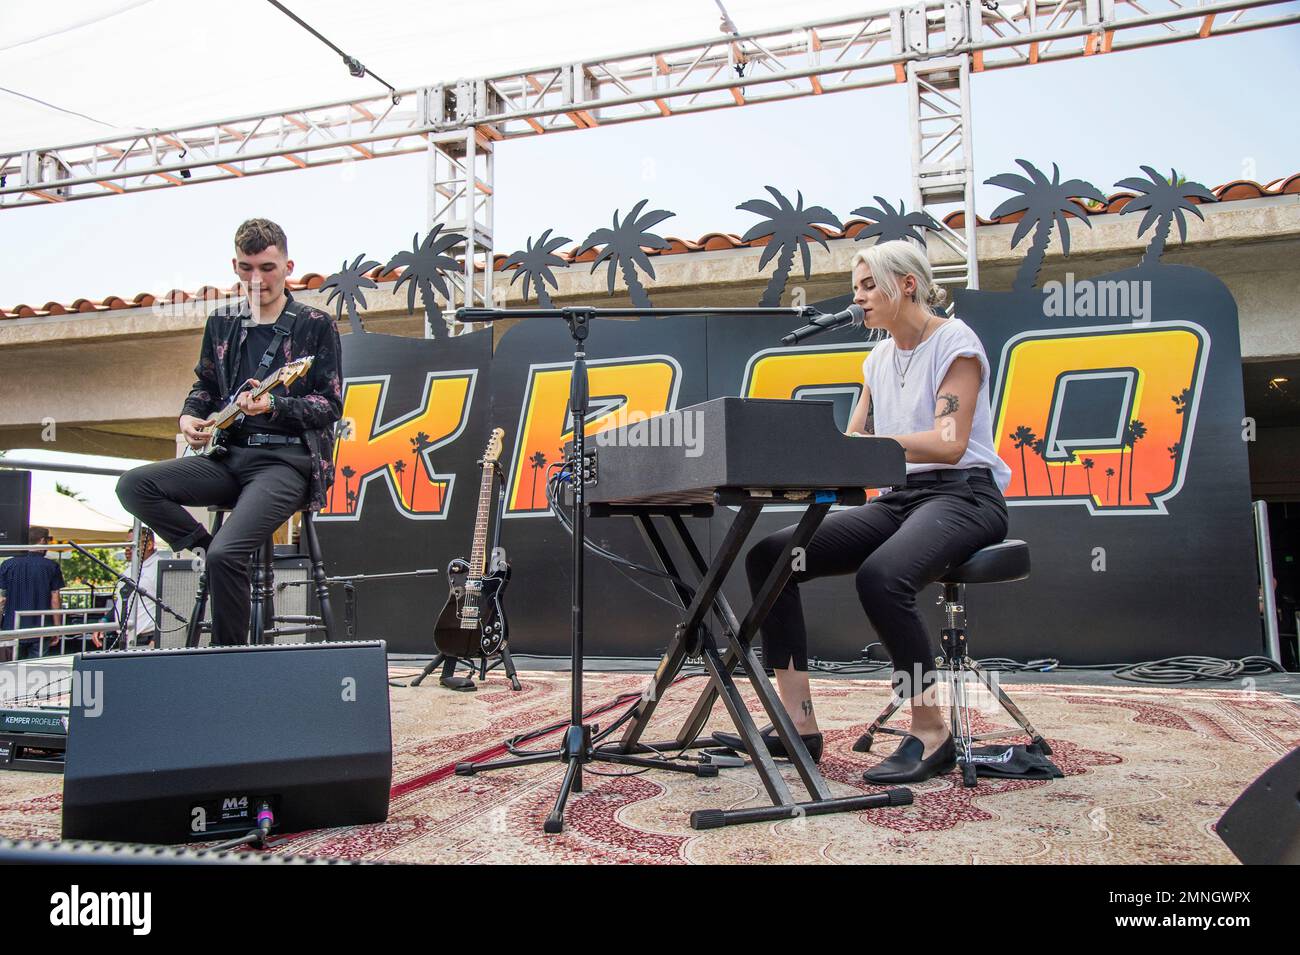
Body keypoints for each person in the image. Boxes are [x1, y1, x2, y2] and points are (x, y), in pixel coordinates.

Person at [714, 240, 1013, 784]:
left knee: (882, 577)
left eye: (869, 284)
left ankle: (930, 729)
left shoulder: (955, 341)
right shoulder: (876, 359)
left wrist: (863, 450)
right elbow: (854, 442)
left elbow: (947, 442)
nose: (859, 297)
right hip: (900, 498)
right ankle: (797, 725)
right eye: (856, 287)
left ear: (907, 285)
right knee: (771, 556)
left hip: (965, 495)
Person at [116, 219, 343, 646]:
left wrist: (275, 404)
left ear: (288, 265)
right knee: (133, 486)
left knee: (228, 554)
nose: (256, 279)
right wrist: (189, 417)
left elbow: (330, 406)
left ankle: (228, 663)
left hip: (287, 463)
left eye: (267, 268)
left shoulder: (315, 324)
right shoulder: (221, 324)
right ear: (235, 265)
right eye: (246, 268)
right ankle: (206, 551)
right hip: (229, 457)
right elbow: (204, 386)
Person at [0, 526, 66, 659]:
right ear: (42, 540)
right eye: (47, 541)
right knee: (38, 670)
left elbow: (2, 599)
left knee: (12, 671)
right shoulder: (51, 566)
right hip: (41, 628)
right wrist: (57, 628)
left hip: (12, 627)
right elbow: (55, 599)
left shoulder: (7, 565)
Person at [121, 528, 161, 647]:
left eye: (132, 544)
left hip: (147, 638)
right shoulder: (128, 570)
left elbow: (170, 604)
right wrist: (104, 622)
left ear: (149, 545)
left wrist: (156, 638)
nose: (127, 548)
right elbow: (120, 602)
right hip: (126, 637)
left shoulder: (159, 567)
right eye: (126, 545)